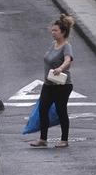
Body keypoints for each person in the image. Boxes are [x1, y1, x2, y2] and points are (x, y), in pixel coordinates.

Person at [30, 14, 75, 148]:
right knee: (43, 110)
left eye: (55, 30)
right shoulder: (53, 44)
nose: (53, 32)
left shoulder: (67, 46)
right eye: (52, 30)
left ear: (63, 32)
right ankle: (43, 139)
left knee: (61, 110)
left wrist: (60, 68)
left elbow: (68, 60)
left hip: (62, 85)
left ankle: (64, 139)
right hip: (49, 84)